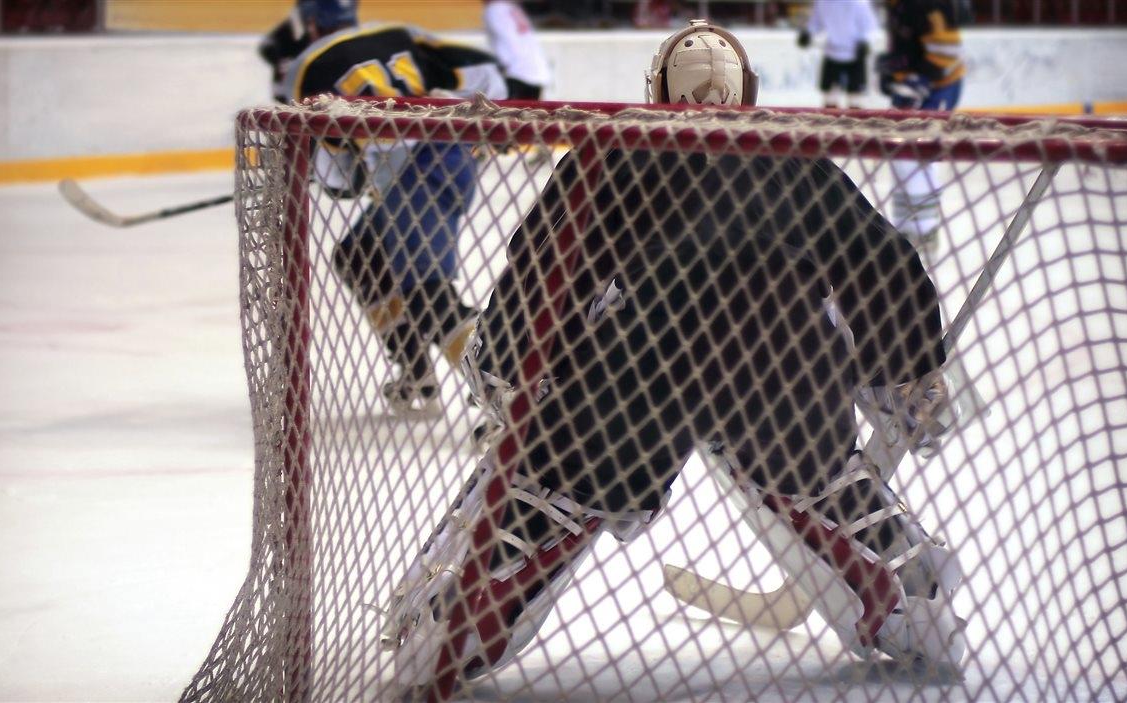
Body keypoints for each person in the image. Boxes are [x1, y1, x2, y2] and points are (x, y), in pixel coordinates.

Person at [383, 19, 965, 692]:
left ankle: (483, 586)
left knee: (569, 461)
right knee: (804, 450)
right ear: (747, 94)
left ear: (655, 91)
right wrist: (911, 370)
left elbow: (542, 271)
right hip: (780, 368)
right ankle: (895, 577)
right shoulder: (795, 157)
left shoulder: (613, 152)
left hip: (636, 373)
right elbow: (881, 267)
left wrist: (509, 372)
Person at [266, 0, 508, 414]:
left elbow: (340, 179)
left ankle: (511, 405)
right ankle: (416, 372)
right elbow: (487, 75)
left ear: (309, 23)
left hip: (414, 177)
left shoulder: (304, 69)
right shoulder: (399, 35)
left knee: (429, 296)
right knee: (358, 256)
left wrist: (329, 170)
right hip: (449, 156)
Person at [877, 0, 966, 242]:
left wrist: (919, 81)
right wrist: (895, 70)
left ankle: (925, 230)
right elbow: (908, 43)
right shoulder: (896, 5)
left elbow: (946, 52)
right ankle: (907, 227)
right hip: (916, 87)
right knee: (900, 155)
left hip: (939, 88)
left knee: (920, 157)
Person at [798, 0, 879, 109]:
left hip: (855, 55)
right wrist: (808, 33)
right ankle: (830, 124)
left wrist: (865, 42)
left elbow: (870, 27)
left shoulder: (859, 2)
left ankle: (854, 123)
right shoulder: (823, 2)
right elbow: (816, 22)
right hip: (832, 54)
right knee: (830, 99)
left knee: (855, 100)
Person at [483, 0, 551, 100]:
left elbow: (505, 40)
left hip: (516, 73)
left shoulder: (495, 9)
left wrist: (503, 66)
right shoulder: (512, 8)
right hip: (536, 72)